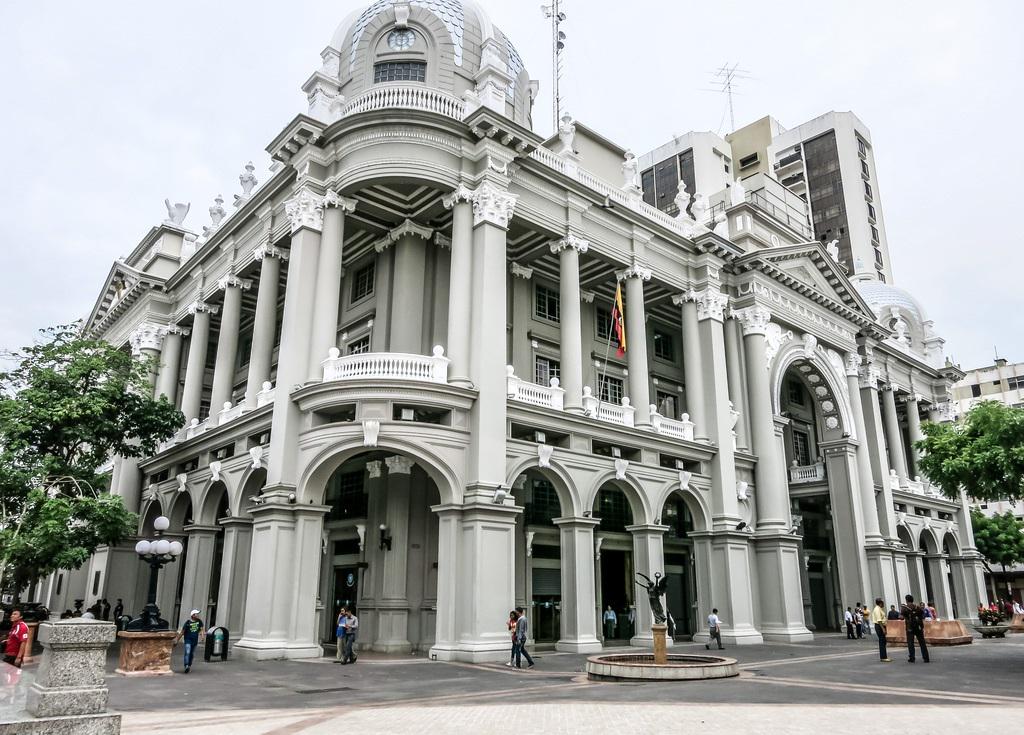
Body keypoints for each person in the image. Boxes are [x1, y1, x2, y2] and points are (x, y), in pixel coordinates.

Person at [174, 609, 205, 673]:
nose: (198, 615)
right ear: (193, 615)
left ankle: (189, 665)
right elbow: (182, 632)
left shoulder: (199, 621)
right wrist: (177, 640)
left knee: (191, 653)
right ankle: (186, 666)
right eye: (196, 614)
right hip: (188, 639)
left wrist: (202, 636)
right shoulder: (187, 622)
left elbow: (202, 629)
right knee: (187, 652)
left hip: (194, 640)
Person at [900, 595, 929, 664]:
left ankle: (912, 658)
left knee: (910, 643)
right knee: (922, 642)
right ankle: (926, 658)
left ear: (906, 600)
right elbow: (922, 614)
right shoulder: (917, 607)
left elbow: (901, 617)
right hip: (918, 627)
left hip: (910, 627)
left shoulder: (904, 608)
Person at [870, 598, 891, 662]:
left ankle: (884, 656)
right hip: (879, 626)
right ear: (880, 603)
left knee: (883, 641)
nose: (883, 604)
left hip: (881, 626)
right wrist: (883, 629)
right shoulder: (877, 609)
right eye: (883, 602)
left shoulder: (879, 609)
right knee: (882, 641)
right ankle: (883, 657)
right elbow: (879, 620)